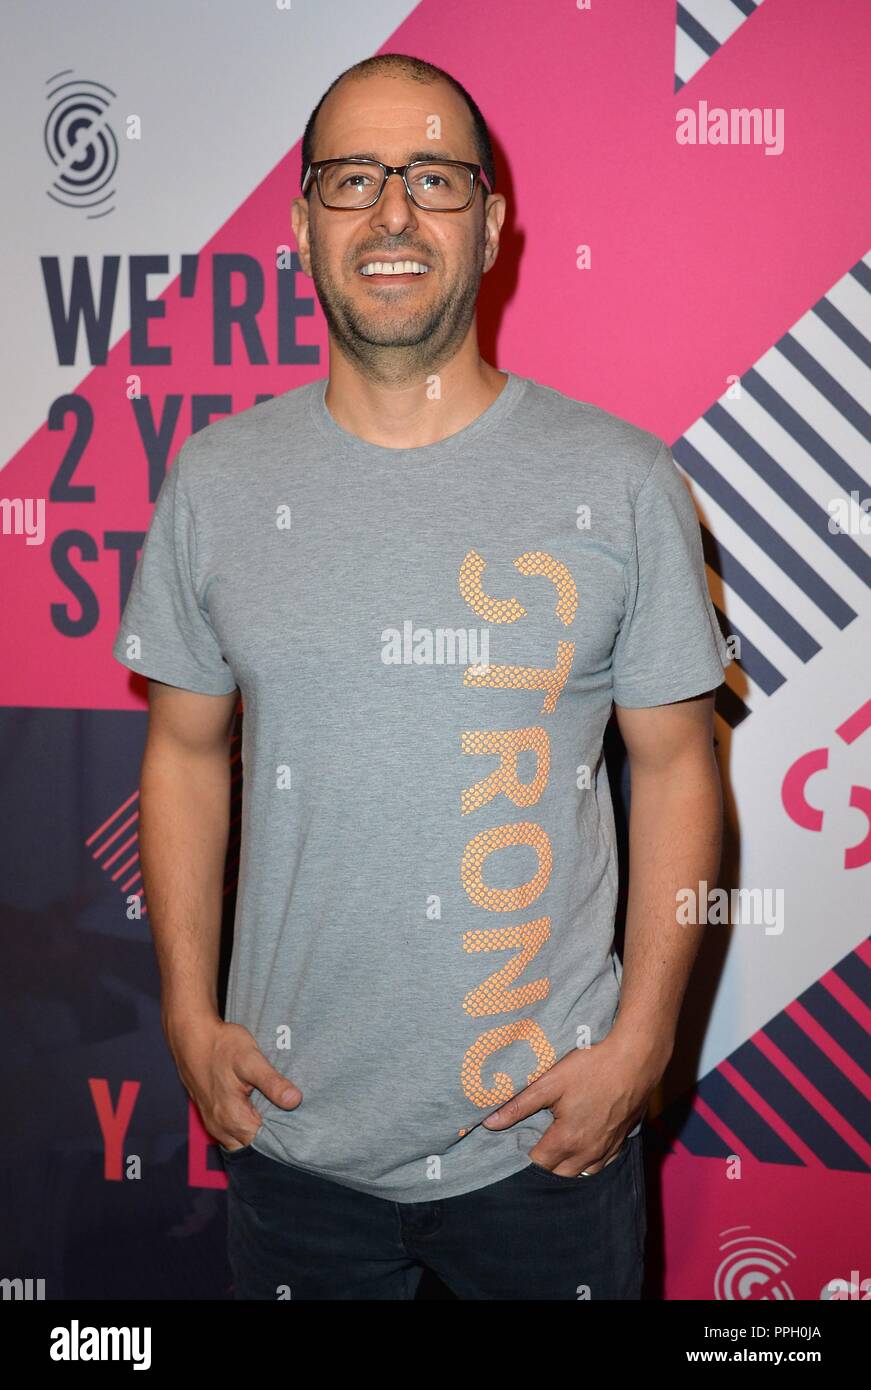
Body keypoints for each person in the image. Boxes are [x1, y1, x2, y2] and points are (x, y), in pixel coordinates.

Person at [112, 52, 731, 1301]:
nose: (392, 213)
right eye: (352, 178)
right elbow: (182, 755)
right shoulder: (217, 483)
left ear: (491, 224)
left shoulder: (620, 483)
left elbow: (678, 772)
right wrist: (186, 1010)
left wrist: (645, 1043)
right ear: (300, 227)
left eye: (434, 177)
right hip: (291, 1149)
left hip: (547, 1152)